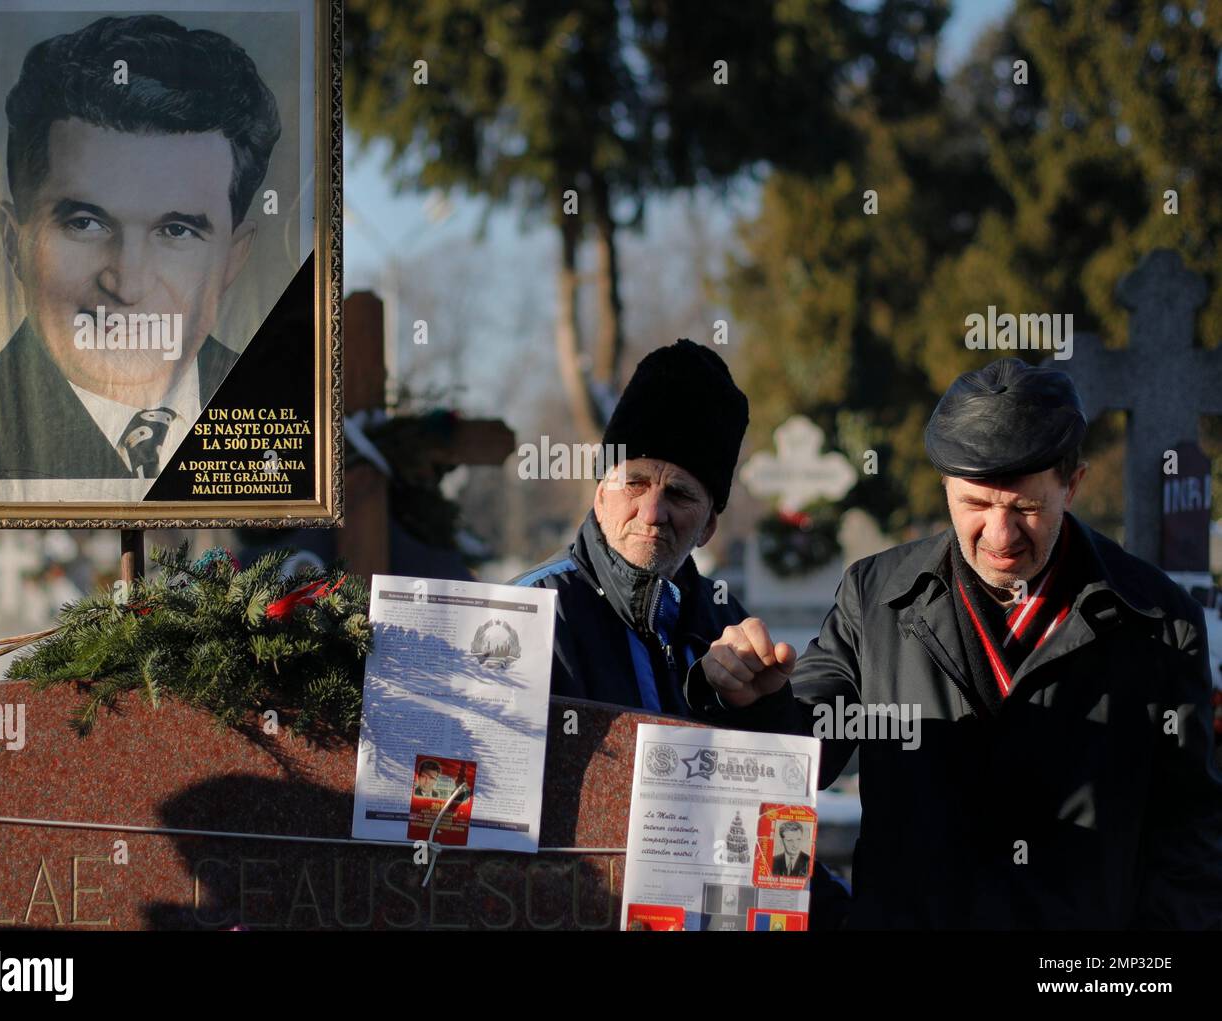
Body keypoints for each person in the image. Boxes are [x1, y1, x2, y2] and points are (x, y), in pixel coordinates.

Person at [703, 357, 1222, 928]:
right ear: (945, 484)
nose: (1000, 537)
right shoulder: (875, 596)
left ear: (1072, 484)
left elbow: (1189, 834)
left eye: (1025, 507)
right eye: (975, 505)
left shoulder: (1157, 620)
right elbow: (808, 753)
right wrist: (759, 700)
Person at [514, 339, 851, 928]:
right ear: (600, 493)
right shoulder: (533, 611)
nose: (652, 511)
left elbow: (777, 818)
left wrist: (765, 705)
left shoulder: (726, 623)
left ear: (709, 524)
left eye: (680, 494)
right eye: (636, 482)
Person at [0, 14, 281, 481]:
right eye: (86, 223)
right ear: (14, 241)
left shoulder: (286, 418)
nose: (127, 284)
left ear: (234, 257)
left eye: (177, 231)